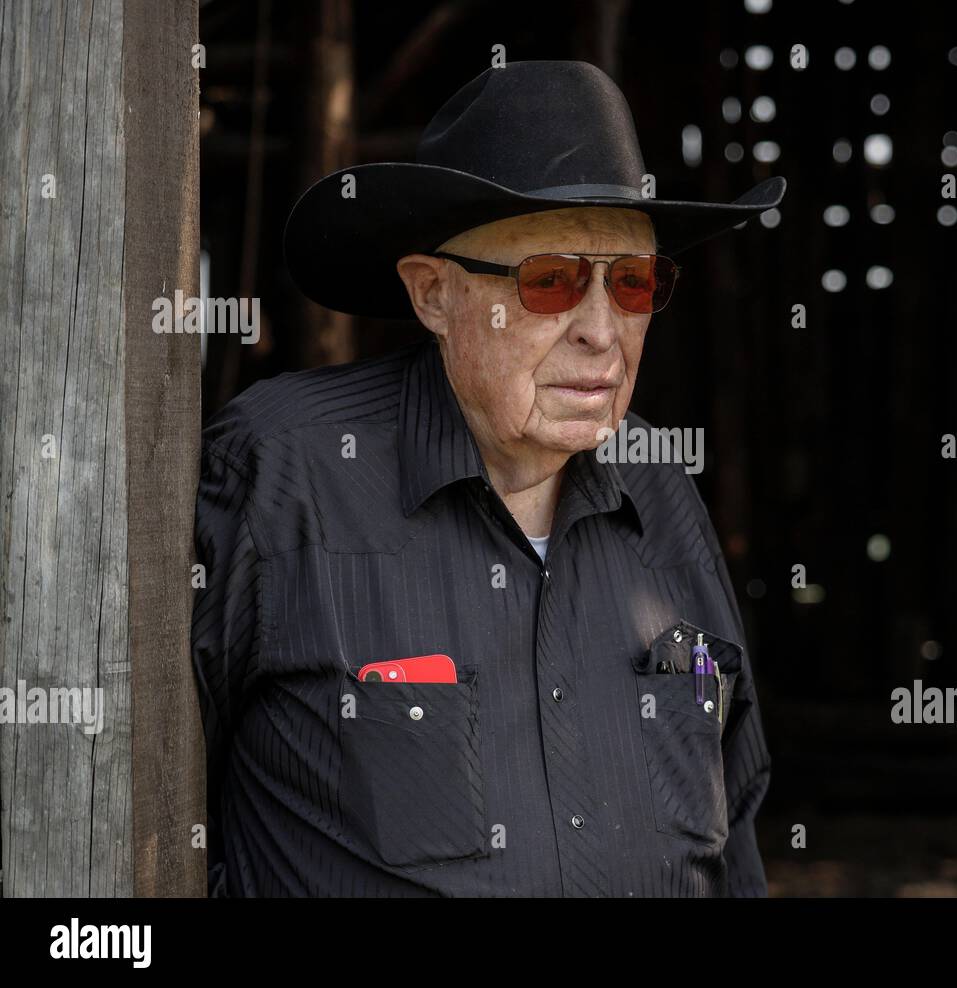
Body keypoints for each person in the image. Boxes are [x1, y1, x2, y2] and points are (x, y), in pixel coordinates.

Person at [191, 58, 785, 896]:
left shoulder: (660, 486)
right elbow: (130, 805)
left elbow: (738, 821)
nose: (602, 332)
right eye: (551, 281)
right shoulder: (281, 473)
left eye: (634, 283)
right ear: (434, 294)